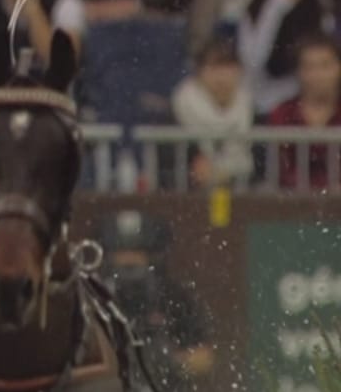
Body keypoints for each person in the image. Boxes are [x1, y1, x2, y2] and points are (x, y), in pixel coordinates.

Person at [95, 211, 214, 391]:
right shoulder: (97, 297)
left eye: (137, 251)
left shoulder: (174, 296)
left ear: (153, 256)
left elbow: (204, 358)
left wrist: (169, 361)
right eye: (122, 251)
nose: (129, 259)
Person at [237, 0, 333, 116]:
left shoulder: (319, 15)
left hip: (306, 105)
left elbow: (324, 64)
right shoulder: (253, 15)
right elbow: (253, 64)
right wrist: (274, 10)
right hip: (262, 104)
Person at [171, 38, 254, 187]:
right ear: (198, 72)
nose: (221, 77)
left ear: (240, 71)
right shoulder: (175, 116)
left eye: (227, 67)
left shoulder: (253, 113)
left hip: (244, 194)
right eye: (213, 67)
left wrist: (224, 174)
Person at [268, 36, 341, 190]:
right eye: (309, 67)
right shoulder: (282, 114)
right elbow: (276, 172)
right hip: (288, 201)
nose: (317, 75)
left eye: (325, 65)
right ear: (298, 72)